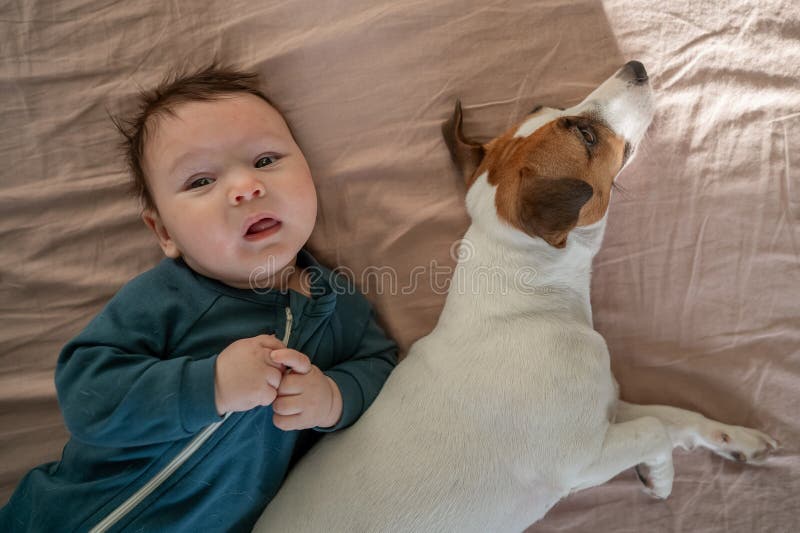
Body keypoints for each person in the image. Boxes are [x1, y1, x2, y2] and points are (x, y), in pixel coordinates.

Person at [0, 63, 398, 532]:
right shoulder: (166, 298)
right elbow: (88, 396)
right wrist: (211, 385)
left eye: (266, 160)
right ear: (164, 232)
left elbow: (381, 367)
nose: (246, 187)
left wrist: (333, 396)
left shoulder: (340, 305)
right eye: (201, 181)